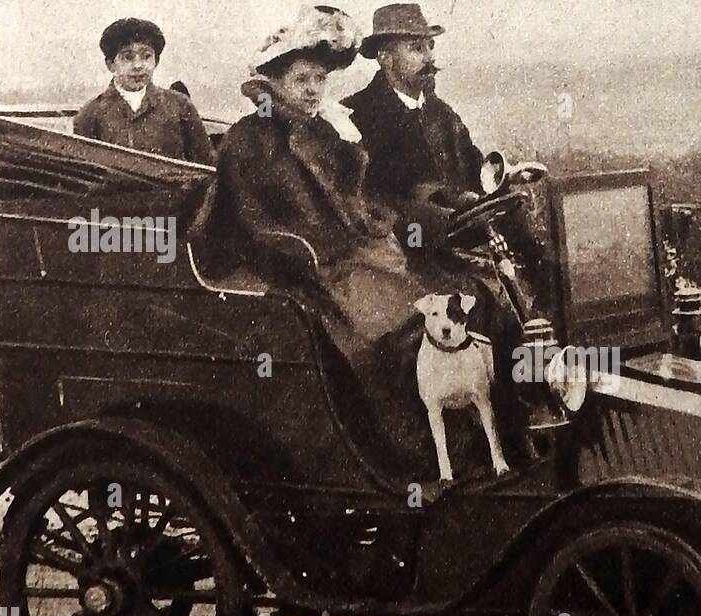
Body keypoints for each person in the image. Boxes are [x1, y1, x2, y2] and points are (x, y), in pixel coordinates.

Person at [206, 5, 523, 483]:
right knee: (401, 329)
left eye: (318, 80)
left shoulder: (323, 132)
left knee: (461, 294)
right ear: (272, 84)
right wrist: (324, 253)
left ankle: (477, 439)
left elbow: (364, 199)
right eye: (301, 80)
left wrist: (382, 228)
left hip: (358, 253)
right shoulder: (248, 142)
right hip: (309, 270)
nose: (313, 90)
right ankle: (412, 456)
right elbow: (256, 226)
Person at [343, 4, 548, 307]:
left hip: (462, 230)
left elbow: (474, 165)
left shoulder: (442, 114)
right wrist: (443, 203)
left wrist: (504, 176)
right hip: (410, 245)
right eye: (416, 48)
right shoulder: (357, 116)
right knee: (477, 297)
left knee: (543, 264)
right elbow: (368, 197)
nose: (430, 57)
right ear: (385, 59)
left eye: (430, 46)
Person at [73, 18, 216, 165]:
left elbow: (206, 166)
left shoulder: (180, 106)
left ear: (156, 61)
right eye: (127, 57)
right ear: (110, 65)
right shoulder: (91, 114)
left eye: (146, 56)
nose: (138, 65)